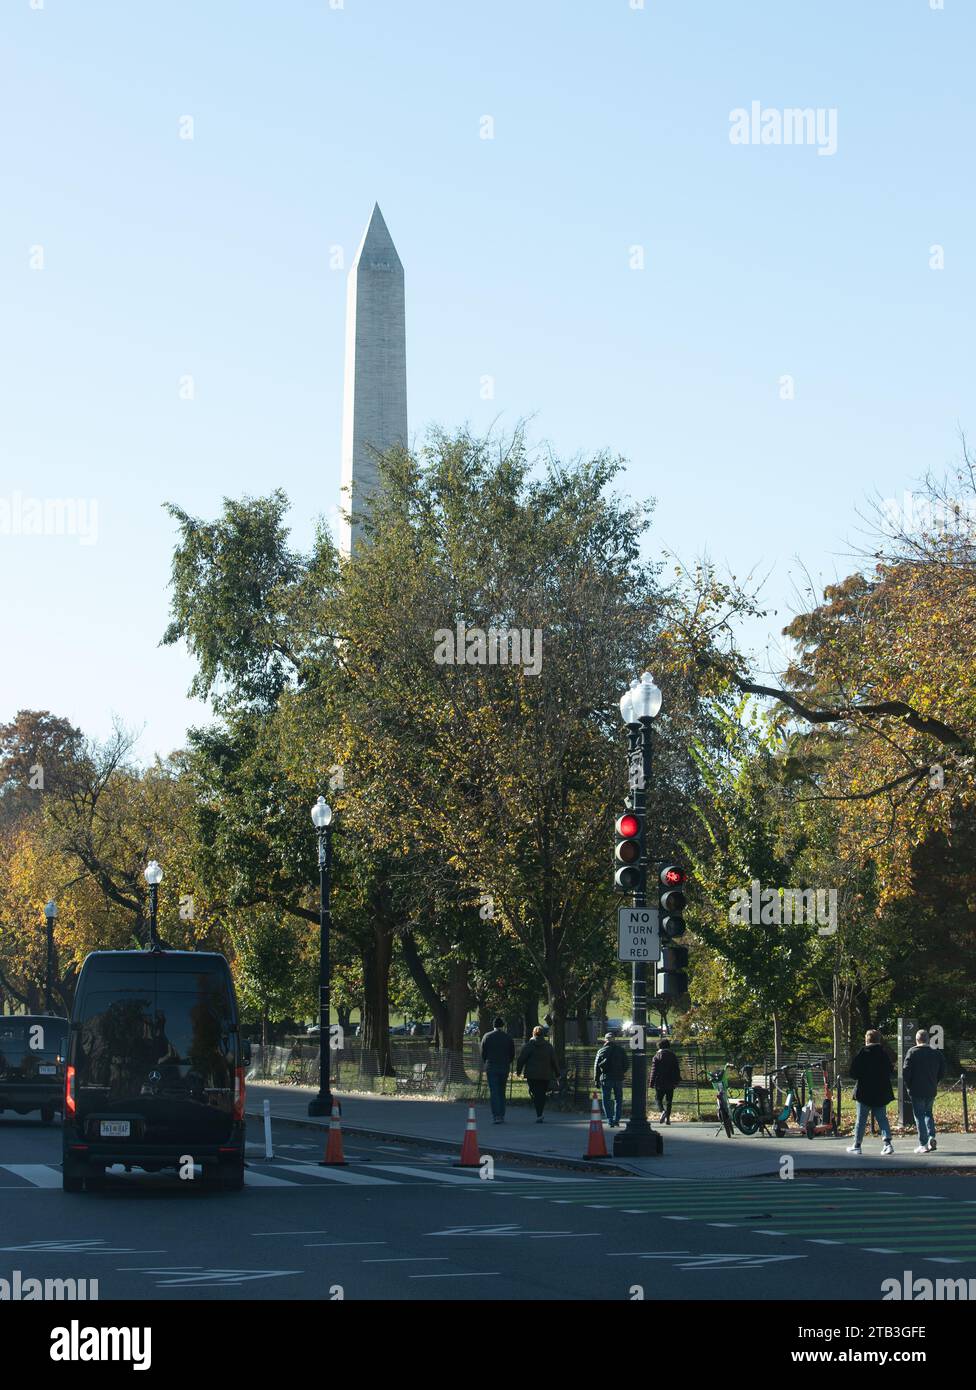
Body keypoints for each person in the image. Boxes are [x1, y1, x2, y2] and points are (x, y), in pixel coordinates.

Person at [847, 1028, 896, 1155]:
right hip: (880, 1092)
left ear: (866, 1040)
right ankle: (887, 1143)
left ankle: (857, 1145)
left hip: (864, 1092)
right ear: (879, 1040)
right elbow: (890, 1071)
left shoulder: (863, 1053)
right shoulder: (883, 1054)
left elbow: (853, 1073)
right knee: (882, 1119)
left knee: (861, 1120)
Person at [903, 1027, 947, 1154]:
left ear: (917, 1040)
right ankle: (931, 1137)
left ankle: (923, 1144)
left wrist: (909, 1086)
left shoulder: (912, 1052)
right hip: (931, 1088)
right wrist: (936, 1081)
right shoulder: (936, 1052)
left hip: (916, 1089)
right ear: (928, 1040)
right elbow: (943, 1070)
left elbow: (906, 1072)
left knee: (919, 1116)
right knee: (928, 1113)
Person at [516, 1024, 560, 1122]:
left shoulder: (529, 1046)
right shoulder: (548, 1046)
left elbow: (521, 1059)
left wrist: (518, 1071)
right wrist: (557, 1074)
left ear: (533, 1033)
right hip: (545, 1074)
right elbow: (554, 1061)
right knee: (542, 1094)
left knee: (535, 1093)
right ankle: (540, 1113)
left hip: (532, 1075)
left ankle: (539, 1113)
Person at [481, 1017, 516, 1124]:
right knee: (502, 1091)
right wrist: (507, 1061)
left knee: (494, 1092)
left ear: (494, 1025)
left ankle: (496, 1115)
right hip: (504, 1066)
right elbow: (512, 1053)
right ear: (503, 1025)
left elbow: (483, 1052)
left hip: (491, 1066)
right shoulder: (508, 1037)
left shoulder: (487, 1036)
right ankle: (501, 1114)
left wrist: (486, 1061)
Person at [593, 1032, 629, 1128]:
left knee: (606, 1099)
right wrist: (621, 1072)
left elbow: (596, 1066)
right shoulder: (621, 1050)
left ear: (605, 1040)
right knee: (618, 1099)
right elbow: (626, 1064)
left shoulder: (601, 1051)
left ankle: (609, 1119)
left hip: (606, 1078)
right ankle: (617, 1119)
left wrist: (596, 1080)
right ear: (614, 1039)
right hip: (618, 1078)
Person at [649, 1038, 681, 1124]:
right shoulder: (673, 1055)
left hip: (659, 1081)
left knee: (658, 1099)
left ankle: (662, 1111)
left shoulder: (657, 1056)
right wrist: (677, 1080)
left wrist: (651, 1082)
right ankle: (668, 1119)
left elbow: (654, 1070)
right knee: (669, 1101)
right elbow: (676, 1069)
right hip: (671, 1081)